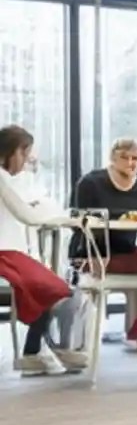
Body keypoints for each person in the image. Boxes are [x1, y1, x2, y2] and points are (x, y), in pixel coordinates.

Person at [70, 138, 137, 349]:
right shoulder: (91, 182)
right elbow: (78, 220)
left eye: (135, 158)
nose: (131, 162)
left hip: (126, 251)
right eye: (125, 157)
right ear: (113, 158)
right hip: (90, 253)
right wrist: (126, 215)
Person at [0, 126, 88, 375]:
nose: (27, 160)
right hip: (5, 254)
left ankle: (35, 348)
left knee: (51, 286)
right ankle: (42, 348)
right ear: (13, 151)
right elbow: (27, 215)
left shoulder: (9, 180)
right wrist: (57, 216)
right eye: (24, 153)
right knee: (53, 288)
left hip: (10, 252)